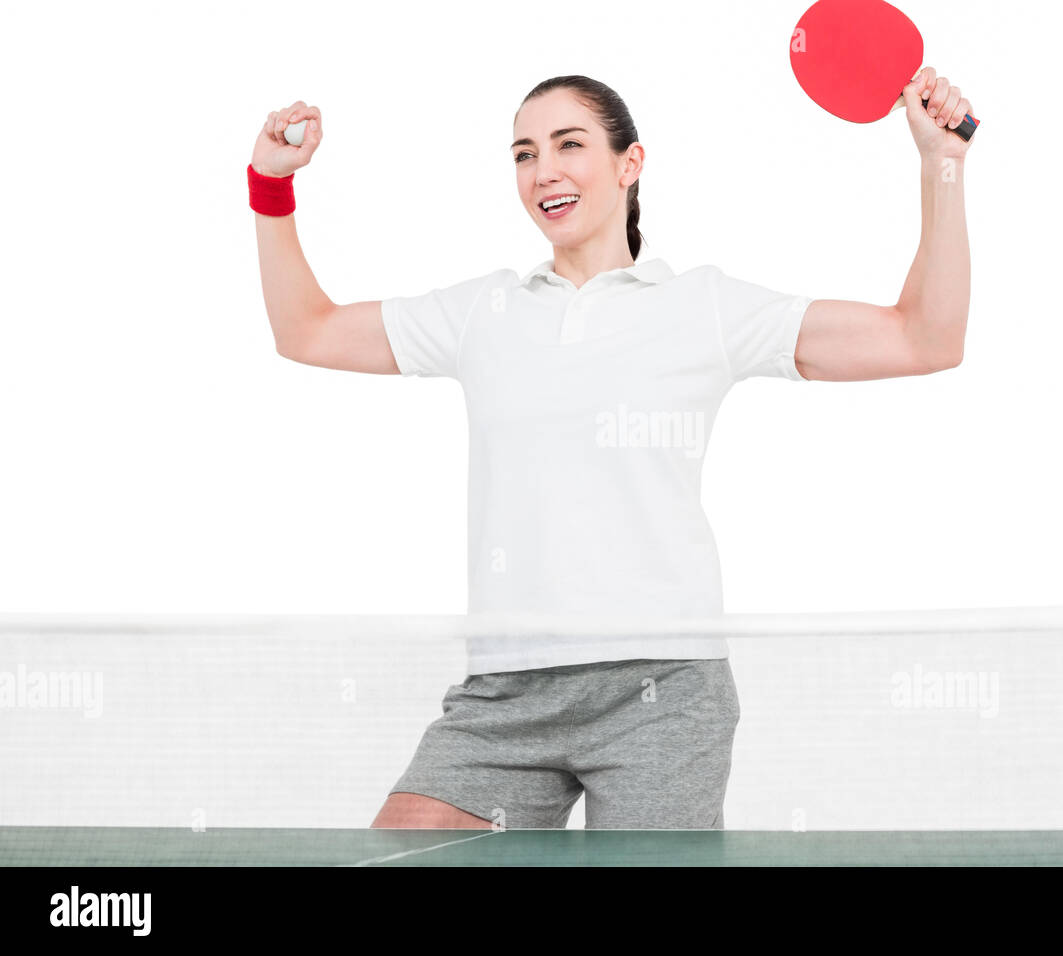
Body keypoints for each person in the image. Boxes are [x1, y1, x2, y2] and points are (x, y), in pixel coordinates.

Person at [248, 72, 973, 830]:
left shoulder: (705, 307)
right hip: (505, 692)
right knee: (395, 853)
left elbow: (924, 338)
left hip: (661, 690)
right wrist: (268, 182)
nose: (543, 171)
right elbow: (308, 330)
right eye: (524, 154)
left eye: (569, 145)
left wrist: (941, 164)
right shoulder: (482, 313)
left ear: (630, 164)